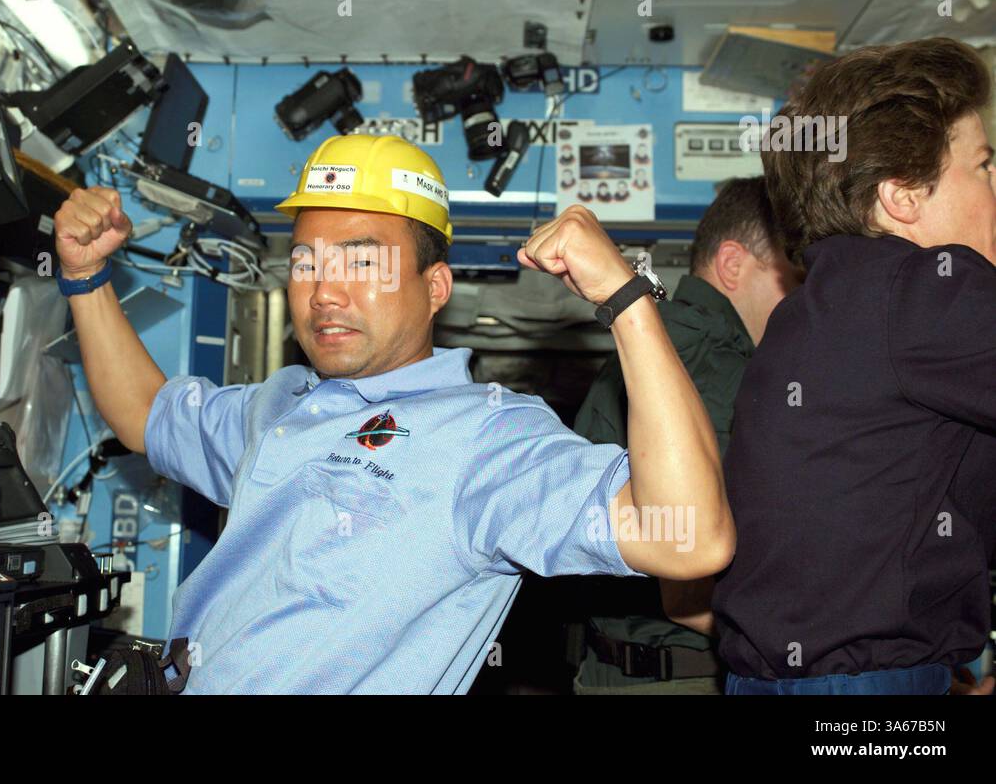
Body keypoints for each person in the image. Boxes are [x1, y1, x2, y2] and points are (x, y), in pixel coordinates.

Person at [53, 133, 734, 693]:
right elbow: (145, 412)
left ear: (434, 287)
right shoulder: (280, 403)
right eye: (306, 261)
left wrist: (626, 298)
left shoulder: (487, 439)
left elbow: (689, 539)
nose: (324, 291)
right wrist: (85, 276)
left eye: (363, 262)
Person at [713, 37, 996, 695]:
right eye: (982, 166)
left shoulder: (814, 307)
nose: (994, 185)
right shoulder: (926, 291)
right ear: (903, 197)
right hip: (861, 688)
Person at [571, 177, 799, 693]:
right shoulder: (720, 370)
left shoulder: (651, 347)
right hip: (686, 674)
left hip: (612, 668)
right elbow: (689, 593)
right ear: (733, 264)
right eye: (794, 274)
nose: (804, 295)